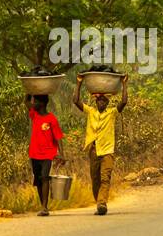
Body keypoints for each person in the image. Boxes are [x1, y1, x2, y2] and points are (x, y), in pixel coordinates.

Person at [73, 73, 128, 215]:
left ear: (107, 103)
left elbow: (123, 102)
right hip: (93, 149)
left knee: (105, 177)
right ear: (96, 102)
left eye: (104, 101)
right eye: (99, 101)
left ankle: (102, 203)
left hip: (107, 150)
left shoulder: (112, 113)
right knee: (95, 179)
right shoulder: (90, 111)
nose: (101, 103)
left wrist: (124, 84)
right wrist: (79, 83)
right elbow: (76, 101)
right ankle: (99, 202)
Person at [26, 93, 64, 216]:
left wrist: (61, 154)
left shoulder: (51, 119)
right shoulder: (34, 115)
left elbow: (58, 137)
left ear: (41, 104)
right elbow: (26, 102)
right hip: (34, 153)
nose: (33, 103)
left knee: (44, 177)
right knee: (38, 180)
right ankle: (43, 205)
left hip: (48, 153)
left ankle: (44, 207)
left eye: (35, 101)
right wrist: (30, 89)